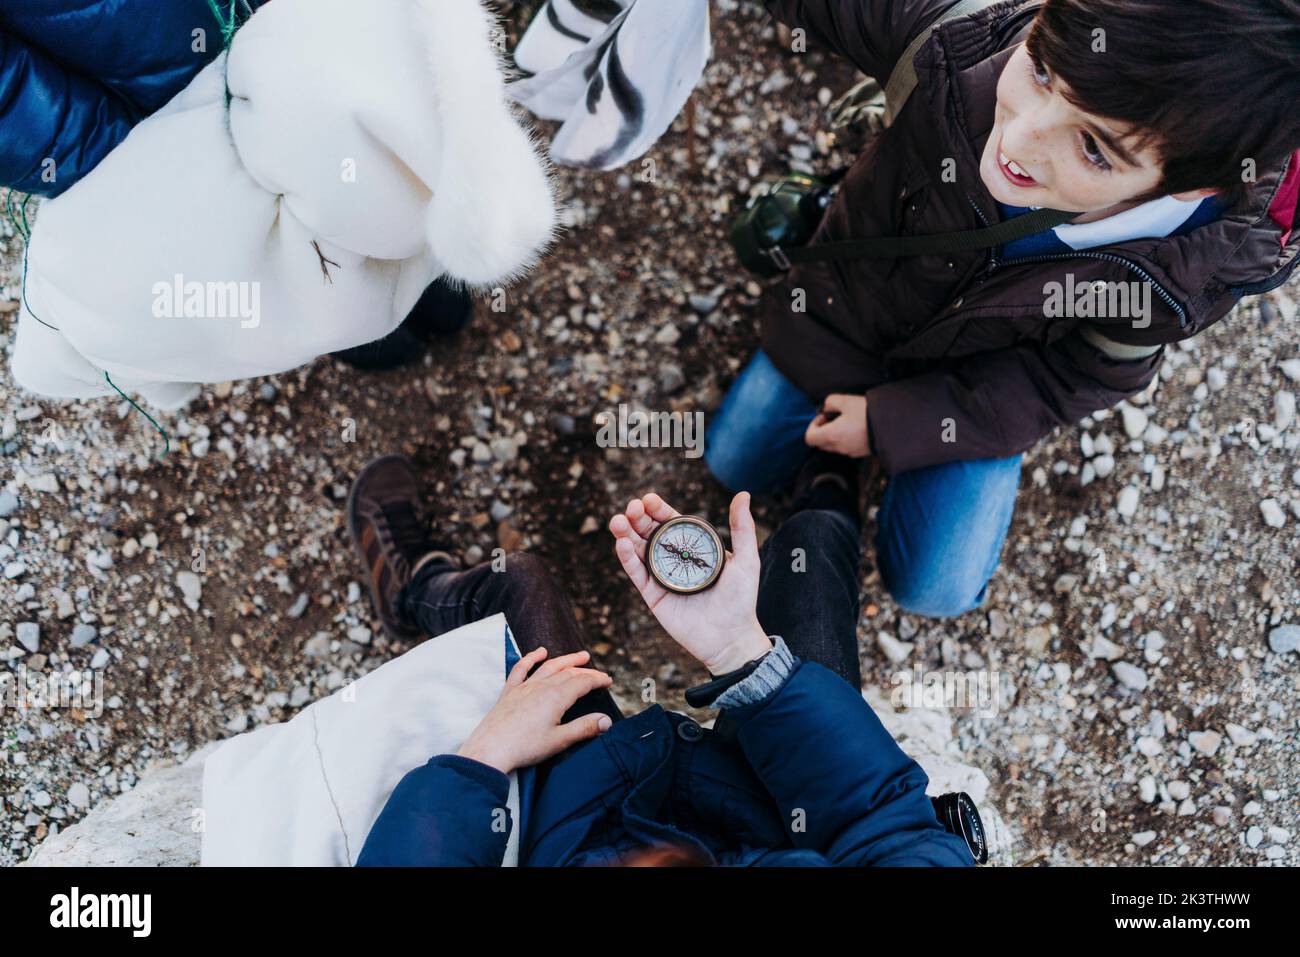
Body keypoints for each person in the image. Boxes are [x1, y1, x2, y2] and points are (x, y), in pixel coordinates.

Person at [707, 0, 1300, 619]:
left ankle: (842, 474)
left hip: (970, 386)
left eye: (1094, 149)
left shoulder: (1195, 263)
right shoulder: (958, 38)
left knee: (934, 590)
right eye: (1041, 69)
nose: (1017, 139)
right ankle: (835, 475)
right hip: (840, 319)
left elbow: (1082, 373)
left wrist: (892, 424)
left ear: (1196, 186)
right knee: (732, 463)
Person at [345, 452, 972, 866]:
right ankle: (830, 472)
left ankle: (413, 589)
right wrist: (744, 656)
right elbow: (886, 824)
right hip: (768, 818)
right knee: (814, 539)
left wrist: (480, 760)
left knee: (519, 584)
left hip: (567, 822)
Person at [1, 0, 474, 382]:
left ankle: (412, 277)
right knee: (269, 257)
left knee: (366, 173)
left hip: (290, 34)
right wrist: (120, 156)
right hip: (135, 108)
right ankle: (352, 324)